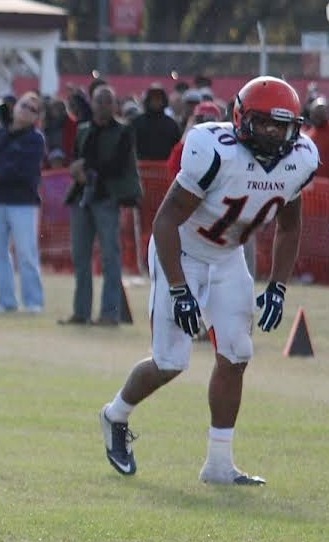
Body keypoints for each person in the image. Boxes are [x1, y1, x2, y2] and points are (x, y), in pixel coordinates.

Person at [99, 76, 317, 485]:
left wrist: (278, 286)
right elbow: (165, 221)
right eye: (264, 122)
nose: (272, 132)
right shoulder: (214, 151)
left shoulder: (298, 160)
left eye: (281, 124)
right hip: (180, 249)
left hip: (227, 256)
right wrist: (180, 290)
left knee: (236, 354)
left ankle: (219, 464)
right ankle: (115, 415)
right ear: (241, 118)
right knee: (170, 362)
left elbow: (289, 227)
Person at [60, 85, 142, 327]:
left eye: (108, 101)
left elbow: (118, 164)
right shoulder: (83, 130)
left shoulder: (124, 132)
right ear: (92, 104)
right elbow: (76, 156)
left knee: (110, 256)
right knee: (81, 256)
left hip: (107, 197)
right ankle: (81, 311)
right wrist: (77, 170)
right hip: (82, 197)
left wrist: (87, 169)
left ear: (115, 105)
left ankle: (110, 313)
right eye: (99, 101)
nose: (103, 105)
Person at [0, 92, 47, 313]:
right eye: (23, 105)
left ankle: (34, 301)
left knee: (26, 253)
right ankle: (6, 301)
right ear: (15, 107)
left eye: (32, 109)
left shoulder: (35, 139)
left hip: (22, 203)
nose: (26, 110)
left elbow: (22, 169)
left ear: (37, 117)